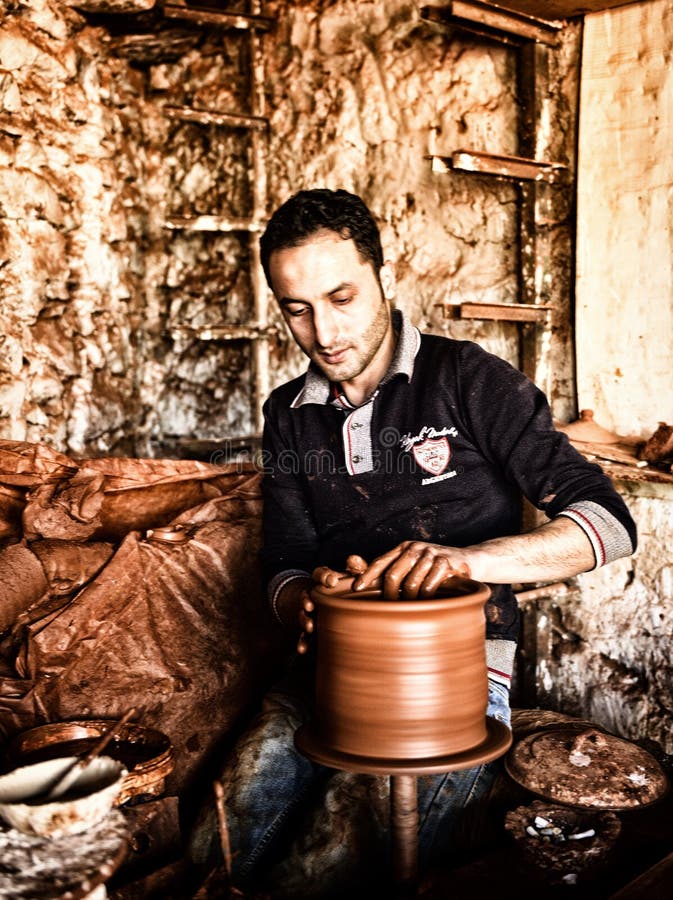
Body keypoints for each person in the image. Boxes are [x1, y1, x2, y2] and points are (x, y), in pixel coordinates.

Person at [190, 188, 637, 897]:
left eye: (341, 297)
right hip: (328, 667)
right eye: (296, 309)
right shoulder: (290, 416)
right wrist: (307, 602)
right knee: (219, 837)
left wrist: (465, 561)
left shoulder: (467, 381)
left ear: (381, 275)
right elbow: (282, 561)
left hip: (455, 676)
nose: (324, 331)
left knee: (331, 867)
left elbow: (609, 526)